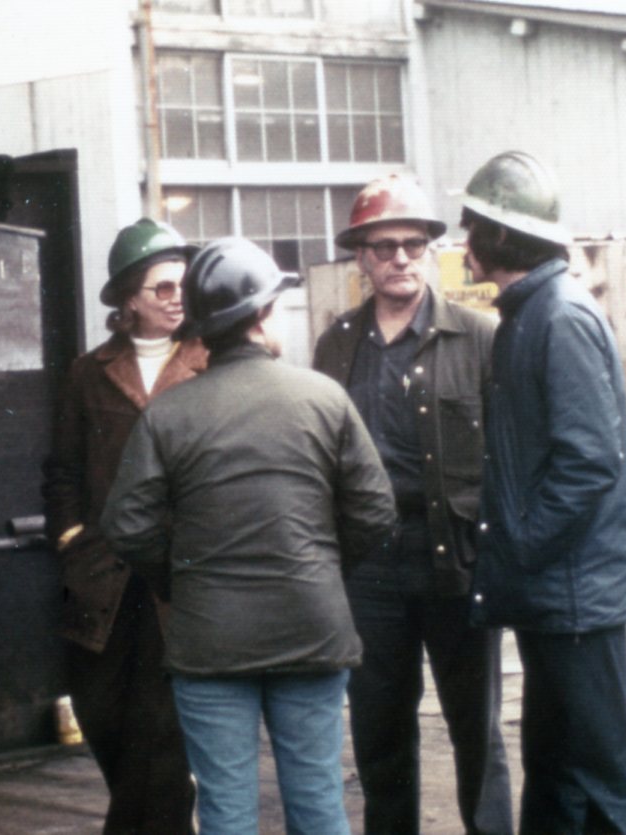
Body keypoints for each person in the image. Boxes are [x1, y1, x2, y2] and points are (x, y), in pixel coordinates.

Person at [100, 236, 397, 835]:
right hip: (311, 625)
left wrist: (182, 577)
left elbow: (126, 525)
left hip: (210, 639)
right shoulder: (324, 398)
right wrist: (314, 564)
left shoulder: (169, 415)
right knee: (317, 801)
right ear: (262, 316)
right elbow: (375, 511)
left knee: (226, 810)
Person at [459, 150, 626, 834]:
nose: (463, 241)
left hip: (571, 594)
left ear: (501, 238)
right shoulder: (528, 313)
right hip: (555, 595)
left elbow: (589, 462)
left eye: (472, 226)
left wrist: (521, 544)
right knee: (557, 776)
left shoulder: (559, 317)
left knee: (606, 783)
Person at [313, 175, 514, 835]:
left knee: (476, 732)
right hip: (368, 569)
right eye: (384, 246)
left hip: (456, 561)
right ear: (362, 258)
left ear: (431, 249)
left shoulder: (480, 338)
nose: (400, 257)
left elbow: (507, 457)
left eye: (413, 244)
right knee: (379, 732)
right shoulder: (336, 346)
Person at [41, 217, 203, 834]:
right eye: (161, 288)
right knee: (104, 715)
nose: (176, 298)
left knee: (163, 735)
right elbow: (61, 472)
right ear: (128, 298)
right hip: (104, 577)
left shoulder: (208, 360)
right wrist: (72, 541)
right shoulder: (89, 372)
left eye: (183, 286)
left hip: (177, 577)